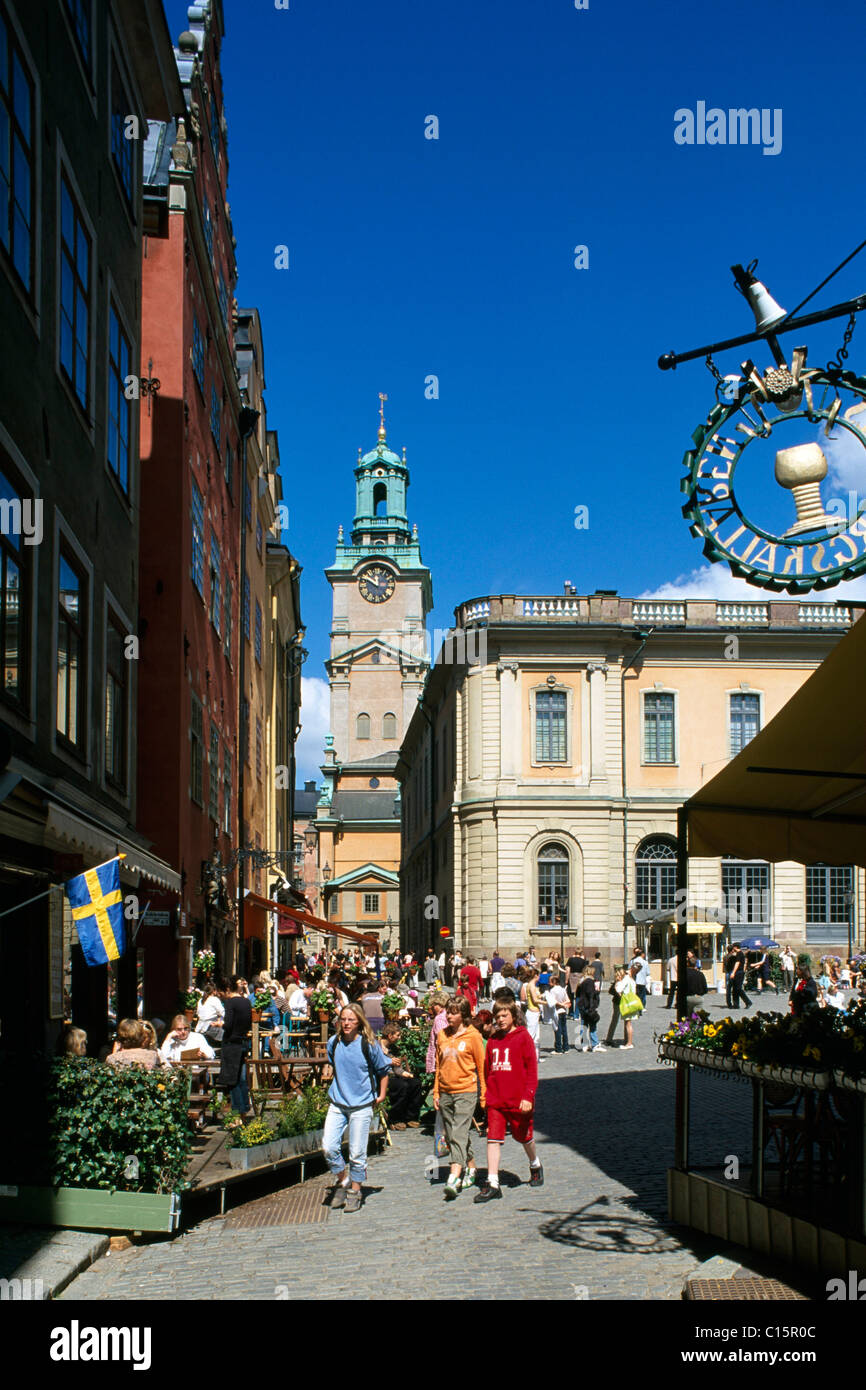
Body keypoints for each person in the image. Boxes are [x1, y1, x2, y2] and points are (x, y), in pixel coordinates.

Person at [322, 1004, 391, 1213]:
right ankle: (343, 1181)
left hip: (361, 1104)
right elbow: (334, 1063)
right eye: (343, 1019)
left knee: (357, 1152)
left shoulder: (368, 1044)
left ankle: (355, 1191)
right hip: (338, 1102)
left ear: (359, 1022)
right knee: (329, 1146)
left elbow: (383, 1069)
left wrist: (381, 1094)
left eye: (351, 1020)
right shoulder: (334, 1043)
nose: (346, 1024)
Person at [475, 997, 543, 1202]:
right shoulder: (494, 1040)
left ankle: (535, 1164)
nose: (501, 1019)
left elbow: (532, 1070)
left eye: (505, 1015)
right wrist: (487, 1094)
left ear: (513, 1016)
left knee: (523, 1136)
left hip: (518, 1099)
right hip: (496, 1099)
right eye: (498, 1016)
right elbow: (488, 1071)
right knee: (493, 1138)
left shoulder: (523, 1038)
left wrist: (528, 1096)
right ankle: (493, 1183)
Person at [434, 996, 487, 1199]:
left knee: (458, 1132)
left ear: (463, 1015)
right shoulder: (442, 1035)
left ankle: (454, 1175)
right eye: (448, 1011)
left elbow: (481, 1068)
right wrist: (437, 1091)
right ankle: (472, 1168)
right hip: (446, 1091)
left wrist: (483, 1095)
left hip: (466, 1090)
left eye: (454, 1012)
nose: (449, 1015)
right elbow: (439, 1067)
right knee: (454, 1135)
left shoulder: (473, 1036)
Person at [218, 977, 252, 1117]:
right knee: (242, 1079)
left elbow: (228, 1024)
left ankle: (237, 1112)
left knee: (232, 1079)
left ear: (227, 989)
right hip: (243, 1042)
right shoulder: (246, 1002)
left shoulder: (230, 1003)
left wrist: (220, 1024)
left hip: (232, 1043)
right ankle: (244, 1109)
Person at [380, 1022, 422, 1128]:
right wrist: (388, 1061)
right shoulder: (375, 1046)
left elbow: (397, 1069)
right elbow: (374, 1063)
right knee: (401, 1085)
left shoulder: (393, 1048)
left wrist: (407, 1074)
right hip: (381, 1076)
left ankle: (410, 1117)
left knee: (415, 1083)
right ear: (390, 1035)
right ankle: (395, 1119)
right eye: (397, 1035)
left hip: (394, 1074)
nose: (399, 1038)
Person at [576, 968, 604, 1052]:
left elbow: (577, 994)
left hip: (582, 1004)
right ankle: (595, 1044)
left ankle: (584, 1044)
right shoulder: (590, 981)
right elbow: (590, 994)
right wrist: (597, 992)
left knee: (584, 1024)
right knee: (592, 1024)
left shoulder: (581, 981)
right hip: (588, 1005)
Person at [519, 966, 544, 1059]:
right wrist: (547, 1002)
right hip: (532, 1012)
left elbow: (537, 997)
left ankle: (535, 1057)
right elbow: (535, 1000)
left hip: (535, 1013)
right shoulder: (531, 986)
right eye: (539, 975)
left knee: (536, 1037)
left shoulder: (531, 985)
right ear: (536, 976)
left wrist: (544, 996)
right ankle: (524, 1055)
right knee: (530, 1035)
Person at [544, 972, 570, 1054]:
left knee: (557, 1029)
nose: (549, 983)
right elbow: (568, 1000)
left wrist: (560, 1004)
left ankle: (558, 1048)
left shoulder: (552, 990)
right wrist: (564, 1004)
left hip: (557, 1011)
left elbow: (553, 1002)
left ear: (554, 982)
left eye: (550, 981)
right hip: (563, 1011)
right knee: (564, 1030)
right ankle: (566, 1047)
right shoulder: (562, 989)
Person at [613, 967, 637, 1049]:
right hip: (632, 1002)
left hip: (627, 1003)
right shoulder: (631, 980)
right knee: (628, 1023)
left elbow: (618, 989)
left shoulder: (625, 980)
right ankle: (627, 1041)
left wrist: (617, 983)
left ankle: (629, 1043)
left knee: (628, 1024)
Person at [564, 947, 588, 1018]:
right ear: (581, 953)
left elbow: (568, 970)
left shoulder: (570, 959)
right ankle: (576, 1014)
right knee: (578, 996)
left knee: (570, 996)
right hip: (580, 978)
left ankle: (571, 1013)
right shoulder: (583, 961)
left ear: (574, 952)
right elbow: (584, 972)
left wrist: (566, 979)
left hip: (571, 977)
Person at [729, 942, 752, 1010]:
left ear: (736, 947)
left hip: (738, 972)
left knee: (738, 989)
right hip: (739, 972)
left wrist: (733, 972)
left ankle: (748, 1002)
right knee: (735, 989)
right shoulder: (740, 954)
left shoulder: (739, 954)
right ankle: (736, 1004)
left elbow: (737, 963)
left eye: (733, 947)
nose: (733, 948)